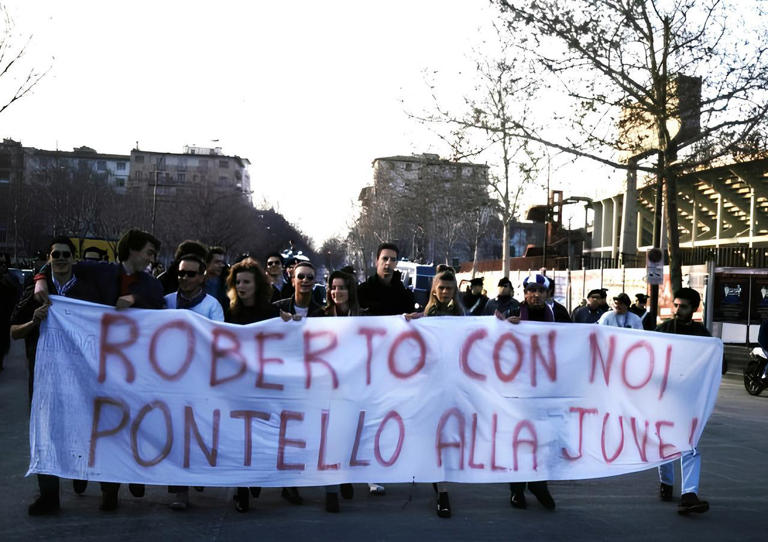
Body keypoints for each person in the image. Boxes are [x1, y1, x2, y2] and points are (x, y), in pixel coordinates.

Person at [33, 228, 165, 511]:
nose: (152, 258)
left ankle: (114, 485)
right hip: (95, 365)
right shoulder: (101, 272)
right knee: (95, 422)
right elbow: (57, 261)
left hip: (132, 369)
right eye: (149, 252)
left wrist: (134, 300)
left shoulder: (150, 284)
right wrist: (39, 281)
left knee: (120, 423)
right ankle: (88, 475)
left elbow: (157, 299)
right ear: (132, 250)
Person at [10, 237, 101, 515]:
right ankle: (49, 496)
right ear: (49, 258)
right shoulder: (36, 288)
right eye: (55, 254)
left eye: (65, 254)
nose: (60, 259)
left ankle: (79, 469)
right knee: (45, 430)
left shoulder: (86, 290)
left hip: (78, 372)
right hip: (43, 373)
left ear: (73, 258)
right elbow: (14, 331)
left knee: (79, 424)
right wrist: (34, 320)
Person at [223, 258, 289, 512]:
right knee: (240, 438)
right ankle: (241, 490)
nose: (241, 286)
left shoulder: (271, 314)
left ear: (257, 285)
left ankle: (256, 476)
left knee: (260, 436)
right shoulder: (228, 312)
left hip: (263, 385)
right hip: (236, 384)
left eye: (246, 282)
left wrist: (289, 323)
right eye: (237, 282)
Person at [164, 253, 225, 510]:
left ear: (202, 277)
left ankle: (197, 474)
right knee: (175, 434)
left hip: (200, 381)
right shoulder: (165, 302)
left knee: (197, 432)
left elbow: (219, 342)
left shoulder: (212, 306)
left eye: (190, 274)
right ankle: (180, 491)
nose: (184, 278)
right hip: (169, 380)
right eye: (181, 273)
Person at [500, 274, 557, 510]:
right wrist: (505, 326)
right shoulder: (511, 311)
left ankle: (538, 482)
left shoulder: (557, 314)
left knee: (543, 437)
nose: (535, 294)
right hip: (517, 386)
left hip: (545, 385)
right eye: (530, 290)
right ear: (524, 294)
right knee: (519, 437)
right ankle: (517, 489)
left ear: (547, 293)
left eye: (540, 290)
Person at [654, 287, 711, 515]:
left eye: (683, 306)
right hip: (664, 398)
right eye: (676, 305)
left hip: (689, 400)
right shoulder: (663, 329)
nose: (678, 310)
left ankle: (689, 495)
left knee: (689, 446)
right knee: (664, 444)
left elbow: (718, 363)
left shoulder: (702, 335)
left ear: (694, 309)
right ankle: (666, 484)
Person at [309, 270, 362, 512]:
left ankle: (346, 477)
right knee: (328, 438)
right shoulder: (319, 316)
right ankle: (331, 489)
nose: (337, 292)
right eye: (333, 287)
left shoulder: (363, 318)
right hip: (326, 388)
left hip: (354, 387)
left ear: (350, 290)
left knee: (349, 435)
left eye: (342, 287)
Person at [420, 270, 465, 518]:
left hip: (454, 387)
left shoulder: (462, 316)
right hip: (431, 388)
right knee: (436, 439)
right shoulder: (426, 316)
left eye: (449, 288)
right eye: (441, 288)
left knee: (447, 439)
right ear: (434, 290)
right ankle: (442, 491)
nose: (445, 292)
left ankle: (442, 488)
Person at [357, 242, 415, 317]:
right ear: (377, 261)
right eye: (385, 258)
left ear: (396, 264)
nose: (388, 263)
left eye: (393, 260)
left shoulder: (405, 297)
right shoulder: (361, 292)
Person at [0, 252, 21, 371]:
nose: (3, 266)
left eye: (4, 263)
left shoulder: (10, 279)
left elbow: (17, 296)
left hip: (4, 319)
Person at [203, 246, 229, 314]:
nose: (221, 265)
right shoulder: (196, 281)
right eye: (217, 262)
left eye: (222, 262)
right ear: (207, 263)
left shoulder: (226, 284)